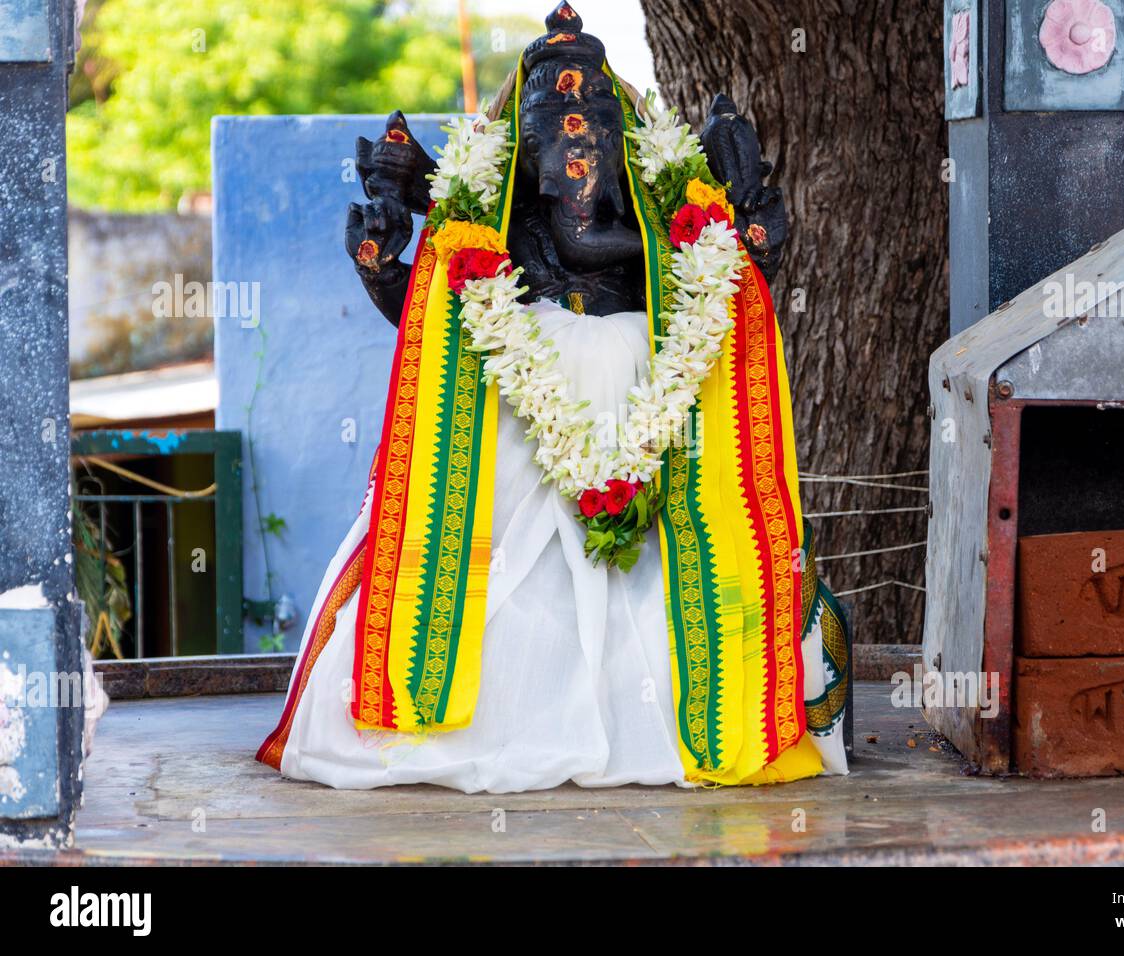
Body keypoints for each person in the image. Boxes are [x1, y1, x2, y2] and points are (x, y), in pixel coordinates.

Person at [257, 2, 849, 792]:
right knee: (490, 574)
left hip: (649, 419)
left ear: (627, 149)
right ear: (525, 158)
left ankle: (687, 718)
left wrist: (741, 239)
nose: (582, 156)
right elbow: (434, 318)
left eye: (598, 134)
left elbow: (726, 304)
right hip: (514, 430)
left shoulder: (666, 237)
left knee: (679, 568)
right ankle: (475, 720)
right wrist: (377, 262)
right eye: (558, 138)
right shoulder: (498, 235)